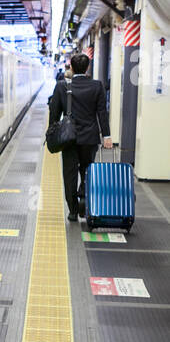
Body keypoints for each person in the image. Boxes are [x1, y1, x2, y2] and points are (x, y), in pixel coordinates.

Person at [48, 52, 112, 221]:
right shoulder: (97, 86)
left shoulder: (62, 86)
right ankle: (85, 200)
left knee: (69, 174)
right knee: (87, 171)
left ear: (72, 67)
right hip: (90, 138)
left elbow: (54, 114)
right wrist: (106, 135)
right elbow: (102, 113)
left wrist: (51, 134)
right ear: (87, 68)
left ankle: (73, 211)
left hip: (69, 139)